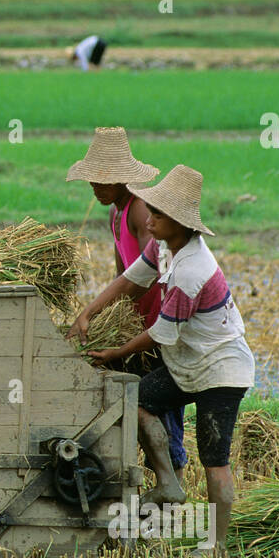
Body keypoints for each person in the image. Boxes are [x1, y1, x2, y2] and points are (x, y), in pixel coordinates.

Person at [75, 165, 253, 552]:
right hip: (189, 363)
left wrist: (115, 352)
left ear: (178, 222)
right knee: (136, 401)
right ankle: (169, 485)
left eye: (156, 215)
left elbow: (162, 333)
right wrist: (87, 313)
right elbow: (129, 281)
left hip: (221, 370)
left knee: (214, 460)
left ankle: (216, 545)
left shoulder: (193, 270)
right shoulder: (162, 248)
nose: (148, 219)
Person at [66, 127, 187, 477]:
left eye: (103, 179)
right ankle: (163, 483)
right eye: (92, 179)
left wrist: (146, 328)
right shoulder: (116, 214)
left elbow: (154, 272)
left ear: (123, 180)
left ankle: (173, 487)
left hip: (159, 329)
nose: (94, 186)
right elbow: (123, 275)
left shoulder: (140, 213)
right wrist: (107, 319)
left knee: (162, 411)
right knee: (143, 405)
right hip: (138, 327)